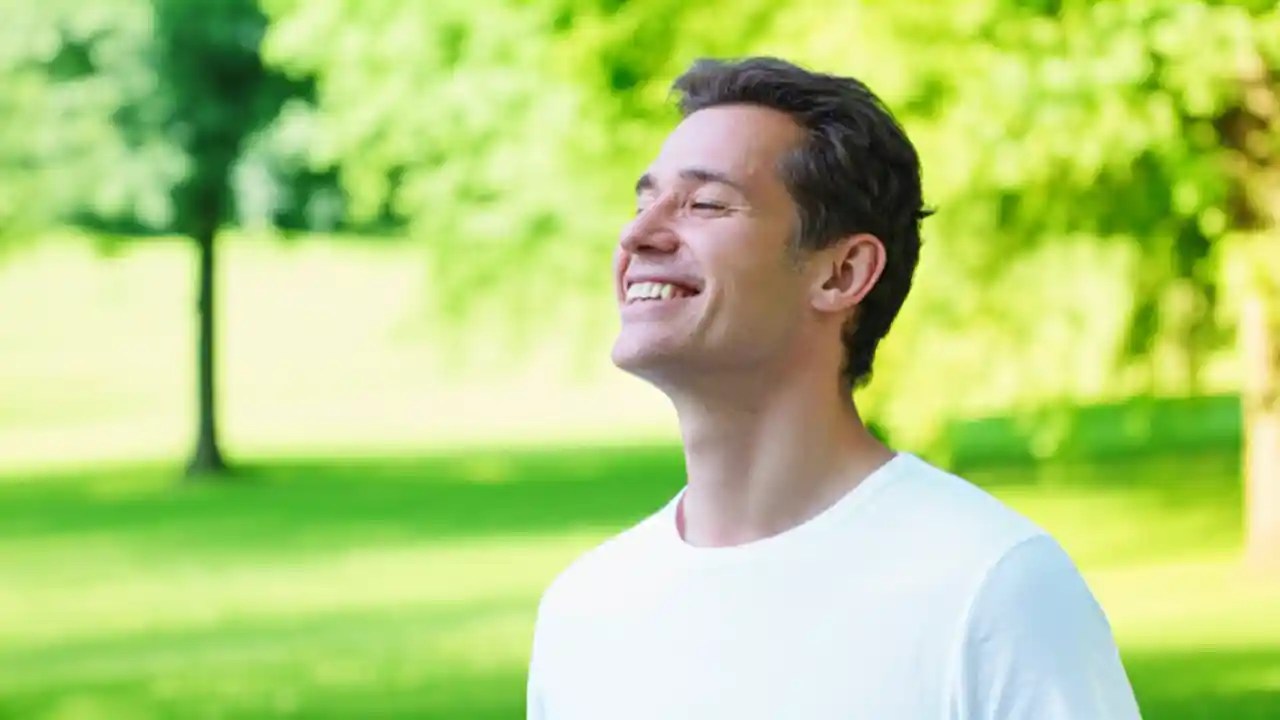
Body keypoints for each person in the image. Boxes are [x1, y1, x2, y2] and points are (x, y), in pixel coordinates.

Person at [525, 56, 1142, 719]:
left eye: (705, 203)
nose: (637, 235)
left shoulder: (991, 587)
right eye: (644, 201)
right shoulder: (586, 611)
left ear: (842, 272)